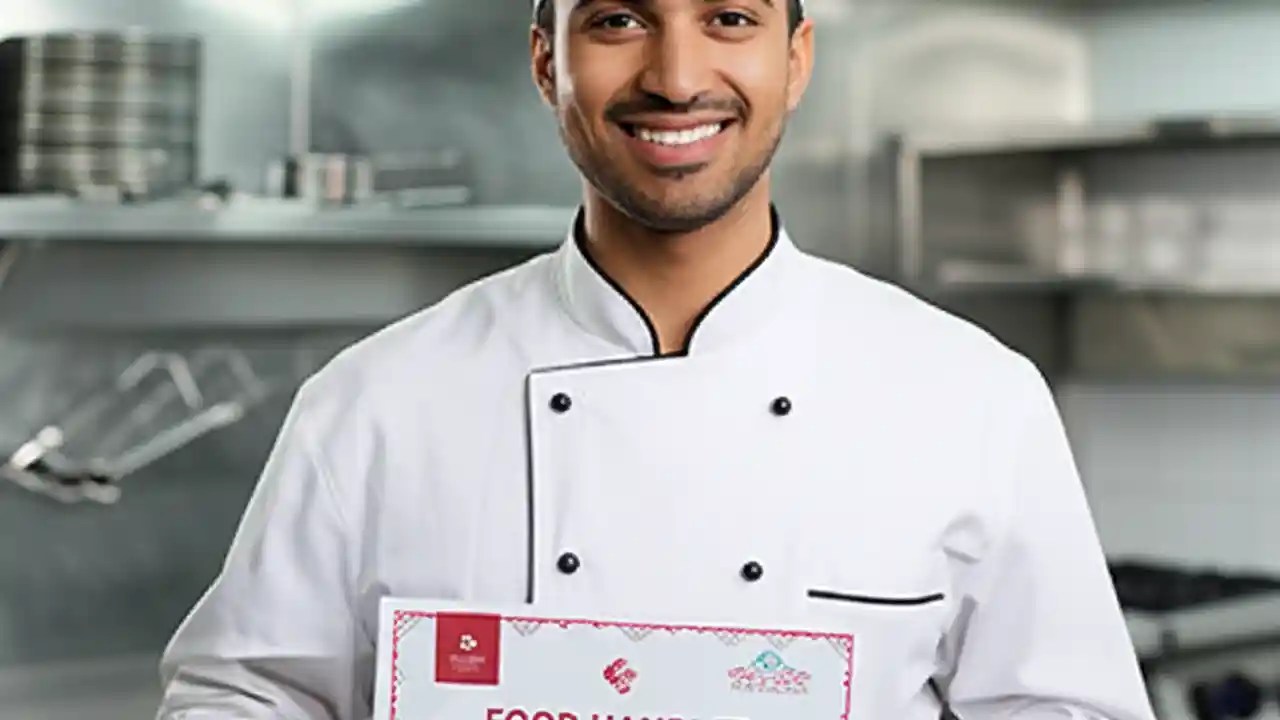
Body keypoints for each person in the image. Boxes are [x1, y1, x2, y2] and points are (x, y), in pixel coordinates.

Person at [156, 0, 1157, 718]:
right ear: (546, 62)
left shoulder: (969, 394)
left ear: (795, 59)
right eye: (617, 21)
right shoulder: (374, 400)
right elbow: (244, 695)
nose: (675, 77)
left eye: (727, 18)